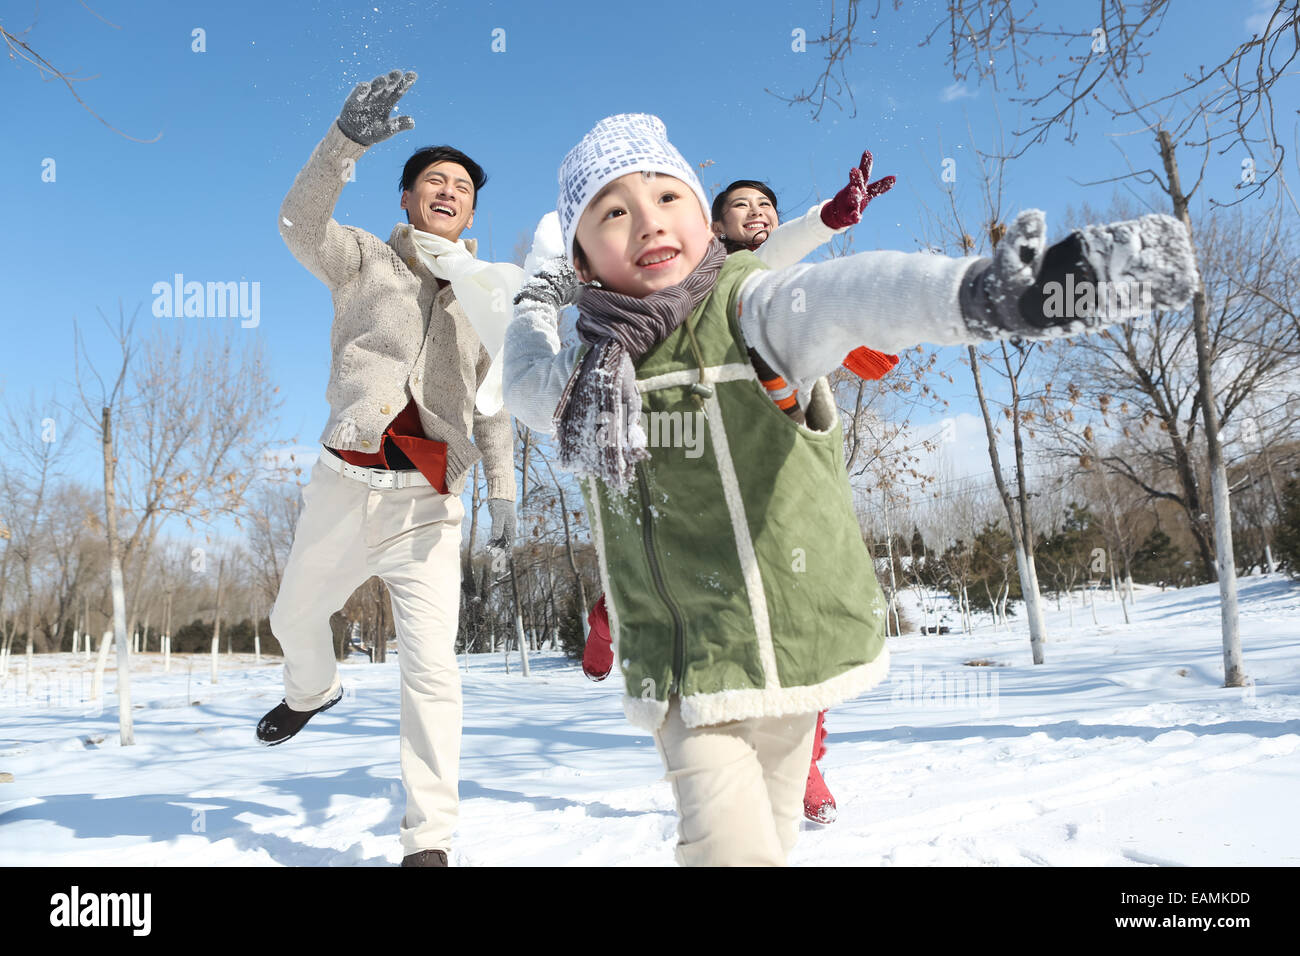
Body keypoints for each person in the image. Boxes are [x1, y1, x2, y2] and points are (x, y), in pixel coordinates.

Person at [504, 112, 1195, 866]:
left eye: (668, 197)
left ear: (703, 219)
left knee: (773, 838)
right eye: (613, 212)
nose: (648, 222)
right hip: (688, 668)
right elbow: (525, 387)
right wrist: (535, 303)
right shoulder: (591, 369)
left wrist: (981, 297)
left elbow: (849, 295)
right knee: (727, 851)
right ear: (583, 261)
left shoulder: (752, 306)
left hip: (796, 649)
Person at [584, 159, 901, 824]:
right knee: (674, 557)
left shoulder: (770, 284)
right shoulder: (713, 267)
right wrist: (825, 218)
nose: (758, 214)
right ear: (711, 223)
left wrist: (853, 335)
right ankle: (611, 614)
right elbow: (777, 249)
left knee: (792, 602)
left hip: (773, 430)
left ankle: (804, 762)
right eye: (743, 205)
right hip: (688, 430)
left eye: (767, 203)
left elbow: (804, 290)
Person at [256, 70, 518, 868]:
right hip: (346, 485)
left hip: (429, 506)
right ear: (405, 199)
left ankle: (429, 841)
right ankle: (313, 692)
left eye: (462, 186)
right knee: (292, 622)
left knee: (432, 672)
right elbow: (299, 222)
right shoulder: (365, 260)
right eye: (433, 180)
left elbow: (495, 401)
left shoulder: (485, 294)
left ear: (472, 212)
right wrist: (345, 144)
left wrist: (504, 492)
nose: (449, 190)